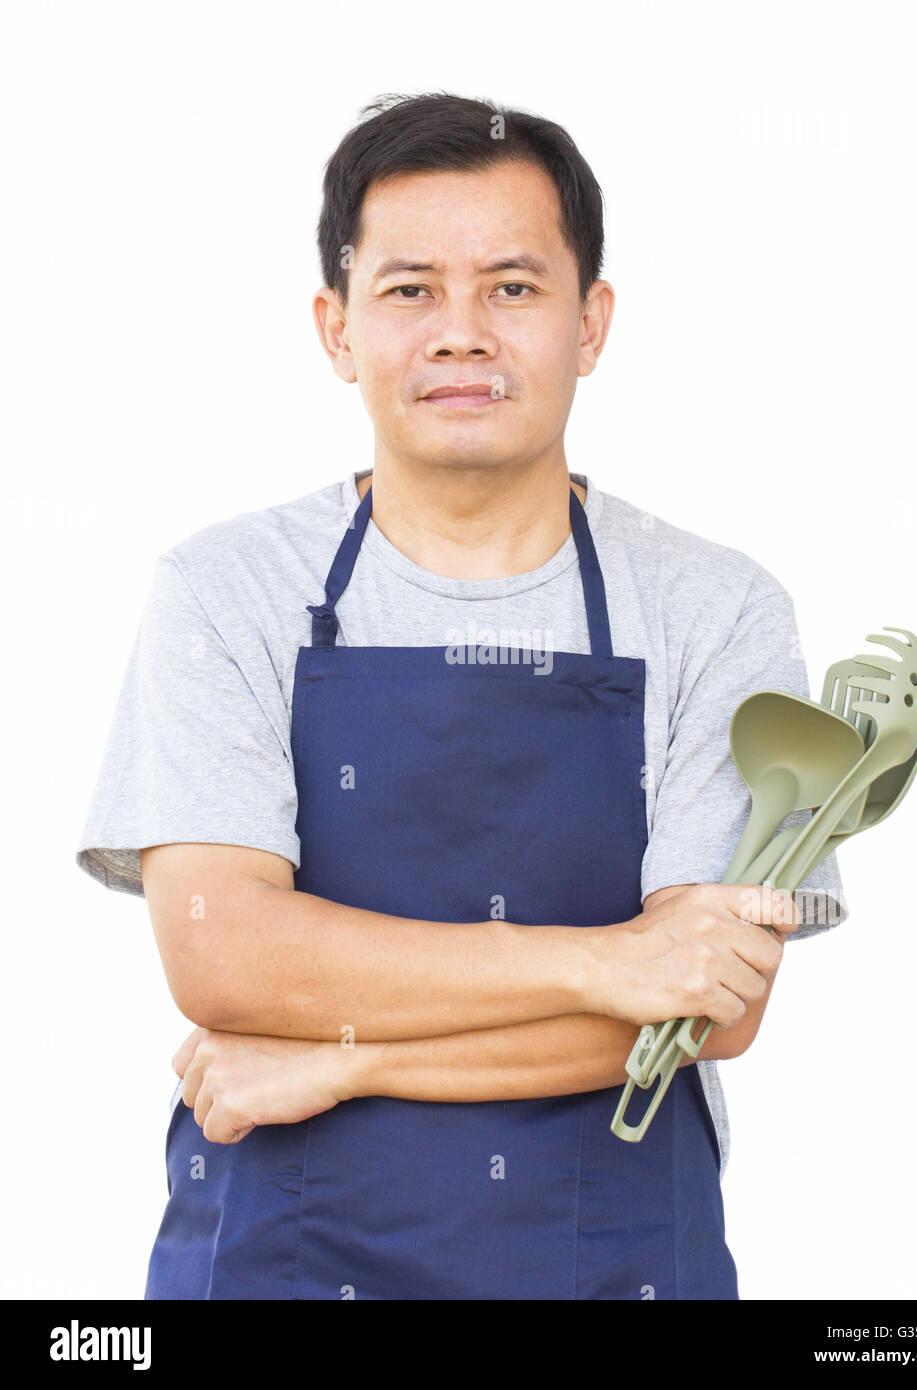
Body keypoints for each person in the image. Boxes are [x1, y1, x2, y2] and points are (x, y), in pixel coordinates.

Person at [76, 91, 846, 1301]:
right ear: (335, 329)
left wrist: (340, 1056)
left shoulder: (719, 609)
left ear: (592, 322)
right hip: (284, 1260)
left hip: (617, 1262)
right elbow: (224, 957)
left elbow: (707, 1011)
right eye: (409, 290)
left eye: (514, 287)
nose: (461, 333)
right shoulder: (226, 590)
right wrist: (614, 961)